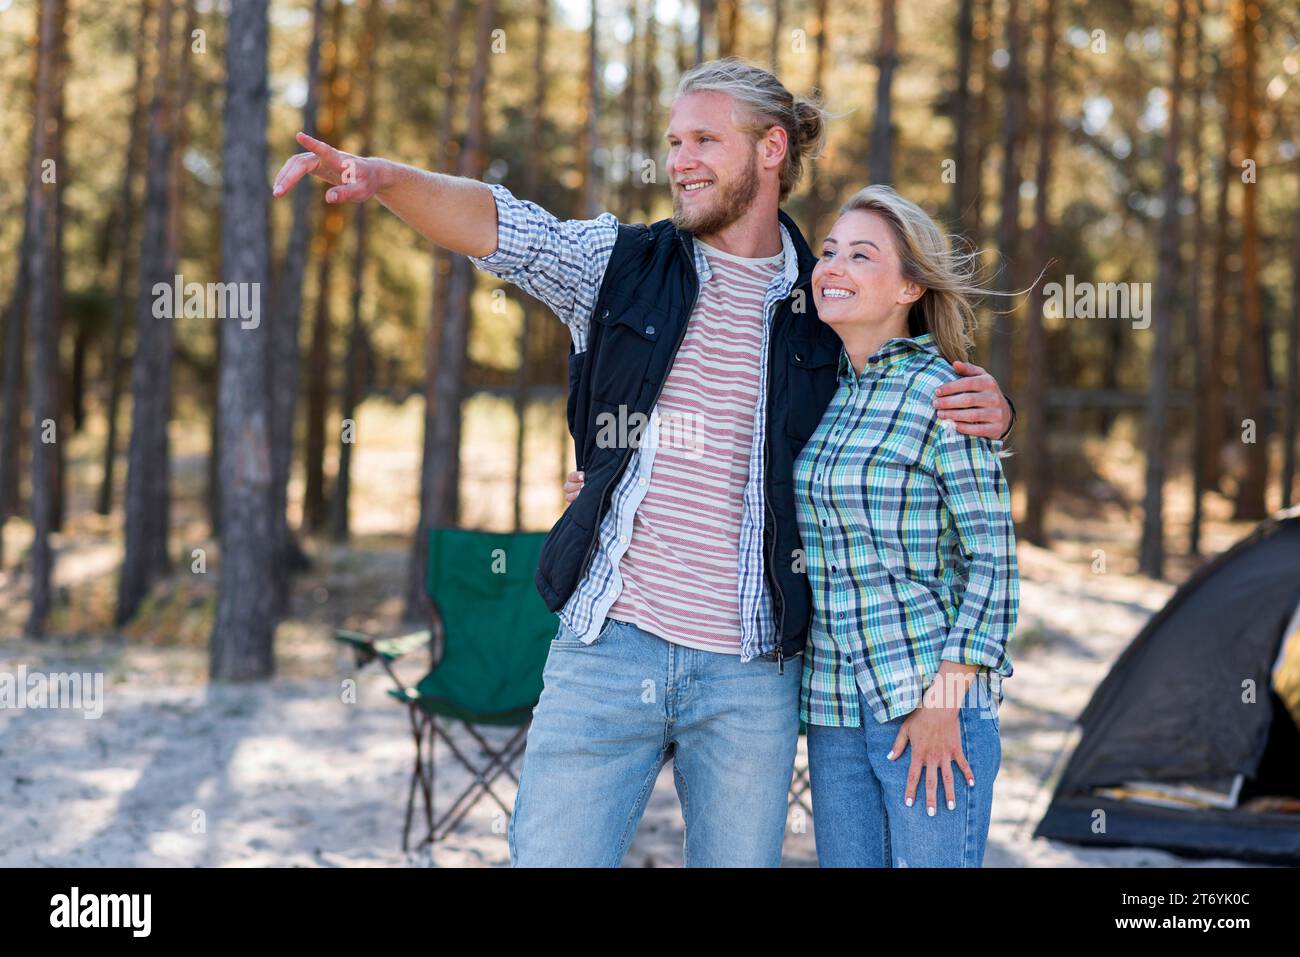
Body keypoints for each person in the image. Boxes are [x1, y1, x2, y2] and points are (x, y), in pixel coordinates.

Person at [273, 57, 1014, 867]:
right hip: (607, 645)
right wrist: (384, 179)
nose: (679, 159)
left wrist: (986, 405)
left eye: (704, 138)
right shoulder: (618, 265)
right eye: (673, 140)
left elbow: (893, 381)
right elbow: (503, 225)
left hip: (752, 672)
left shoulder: (827, 301)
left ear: (771, 150)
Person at [796, 185, 1017, 867]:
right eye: (829, 250)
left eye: (861, 255)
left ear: (908, 287)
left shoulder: (945, 393)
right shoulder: (821, 391)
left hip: (929, 699)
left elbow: (995, 566)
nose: (832, 265)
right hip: (833, 707)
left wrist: (943, 702)